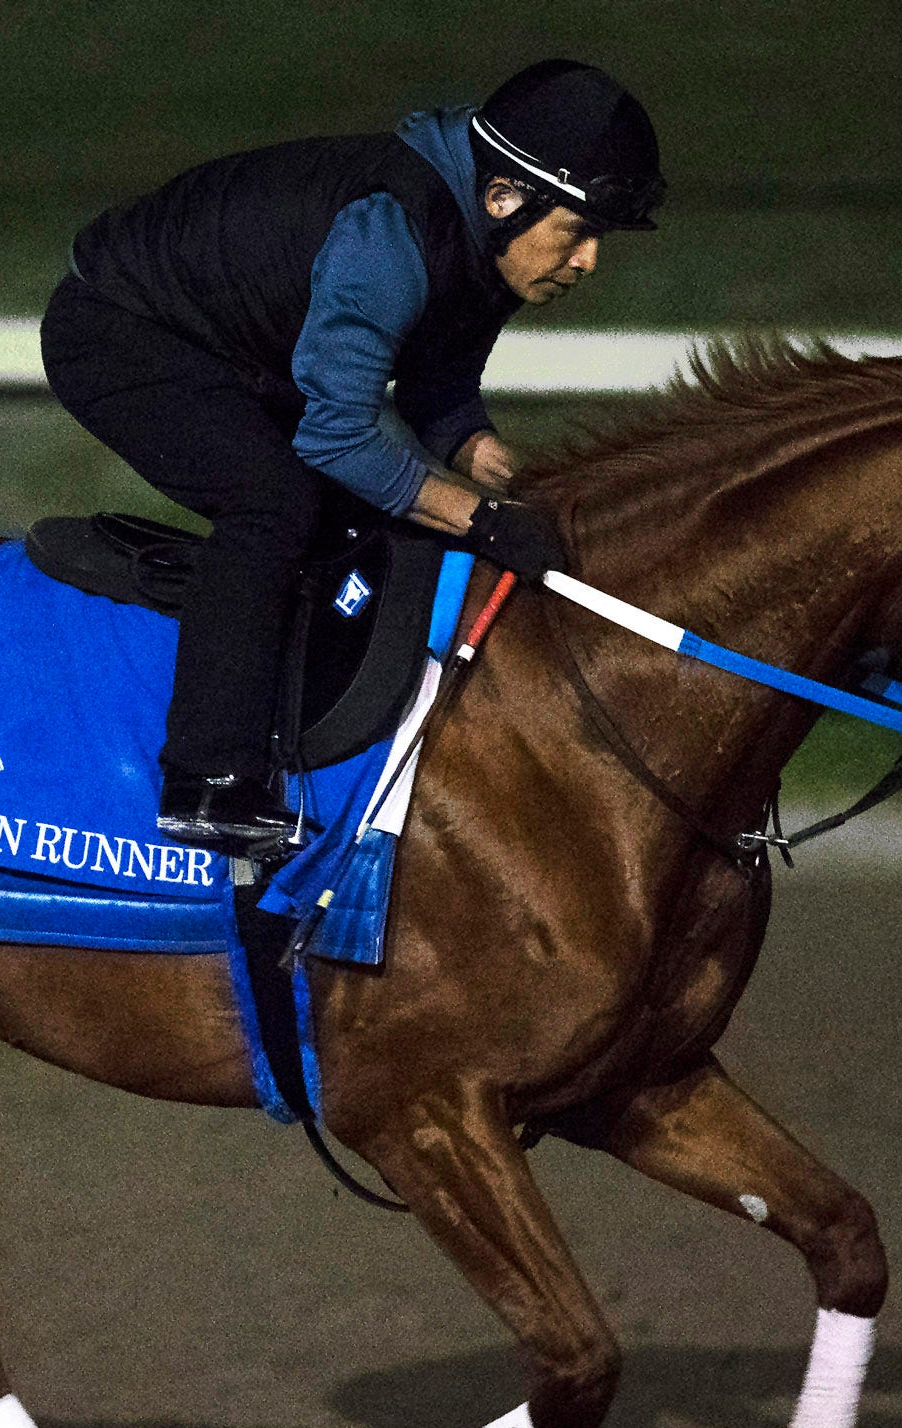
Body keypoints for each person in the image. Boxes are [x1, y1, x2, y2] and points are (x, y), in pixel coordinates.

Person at [41, 58, 664, 857]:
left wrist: (519, 488)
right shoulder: (392, 237)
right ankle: (207, 780)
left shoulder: (489, 238)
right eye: (577, 231)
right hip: (119, 330)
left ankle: (318, 753)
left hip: (238, 351)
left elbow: (438, 390)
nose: (587, 262)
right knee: (274, 506)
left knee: (373, 527)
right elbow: (335, 436)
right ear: (506, 196)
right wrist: (480, 520)